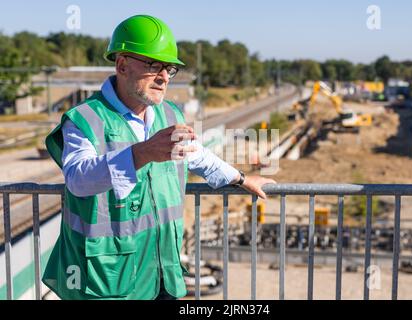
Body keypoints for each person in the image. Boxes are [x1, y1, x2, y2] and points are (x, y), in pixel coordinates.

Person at [42, 14, 275, 300]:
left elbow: (197, 155)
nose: (164, 77)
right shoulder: (85, 119)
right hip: (111, 275)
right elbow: (78, 179)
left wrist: (240, 178)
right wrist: (141, 153)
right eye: (153, 66)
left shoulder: (169, 114)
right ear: (122, 65)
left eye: (170, 68)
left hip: (163, 270)